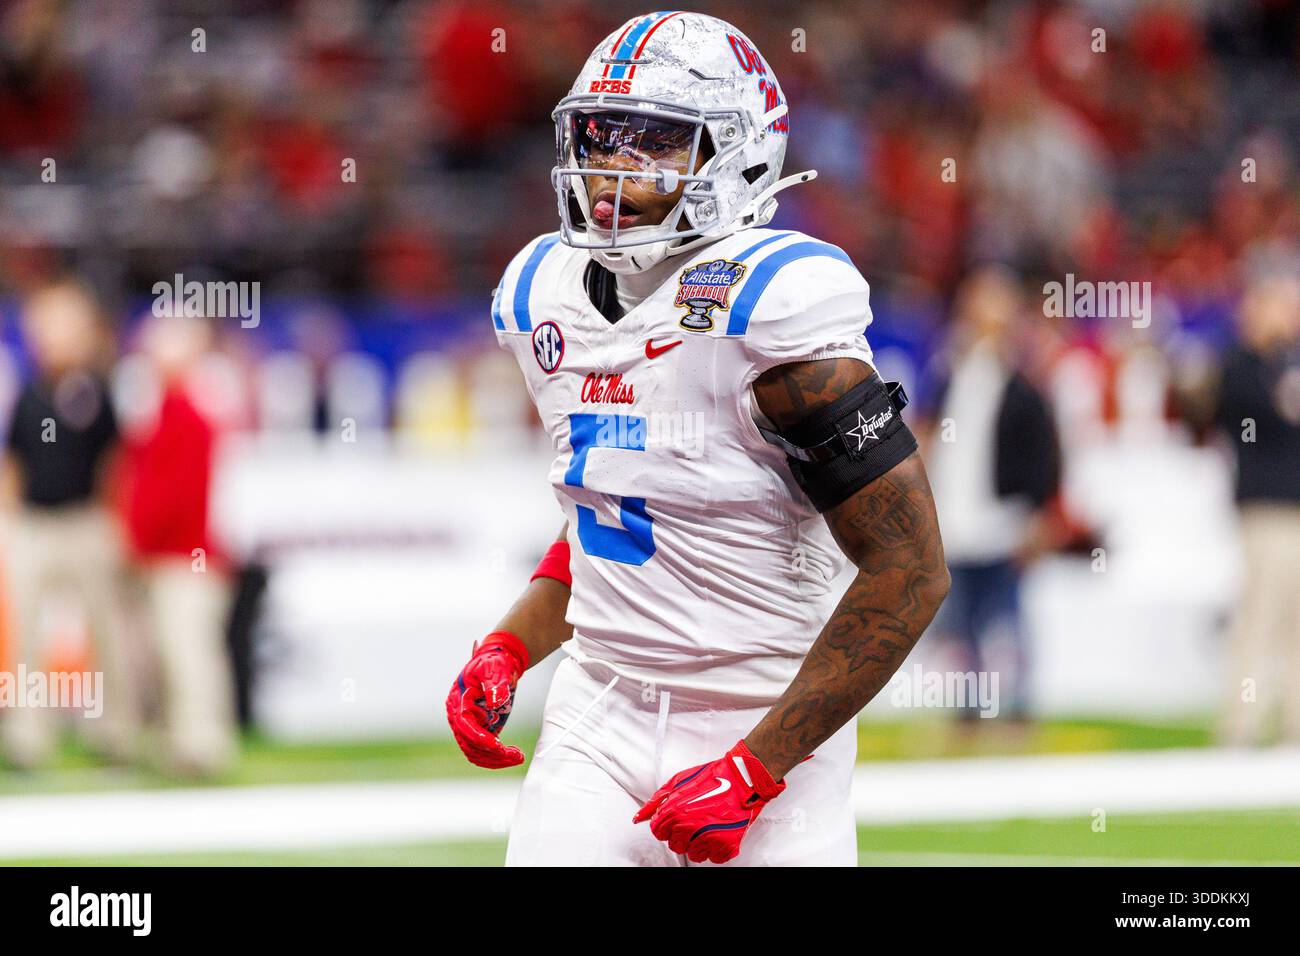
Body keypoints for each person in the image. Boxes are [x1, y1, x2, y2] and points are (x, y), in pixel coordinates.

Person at [445, 13, 949, 867]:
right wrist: (508, 644)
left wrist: (756, 768)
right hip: (596, 719)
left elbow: (910, 569)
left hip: (766, 719)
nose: (612, 171)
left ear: (738, 155)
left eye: (654, 145)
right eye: (602, 139)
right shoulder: (543, 296)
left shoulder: (775, 311)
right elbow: (616, 524)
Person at [0, 278, 139, 768]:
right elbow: (13, 461)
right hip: (36, 526)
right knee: (25, 638)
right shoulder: (30, 394)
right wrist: (9, 521)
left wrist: (113, 522)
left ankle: (117, 733)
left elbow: (115, 462)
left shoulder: (96, 390)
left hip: (86, 521)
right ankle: (28, 739)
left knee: (108, 632)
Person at [920, 266, 1061, 723]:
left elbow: (1045, 457)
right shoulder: (951, 377)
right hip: (957, 523)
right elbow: (931, 442)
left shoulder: (1023, 388)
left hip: (1003, 523)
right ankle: (969, 709)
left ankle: (1019, 706)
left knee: (1008, 620)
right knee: (962, 624)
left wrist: (1036, 518)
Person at [1214, 270, 1300, 746]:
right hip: (1267, 509)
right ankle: (1240, 726)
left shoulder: (1287, 362)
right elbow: (1237, 412)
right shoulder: (1243, 365)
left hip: (1292, 509)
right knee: (1261, 616)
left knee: (1296, 624)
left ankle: (1294, 725)